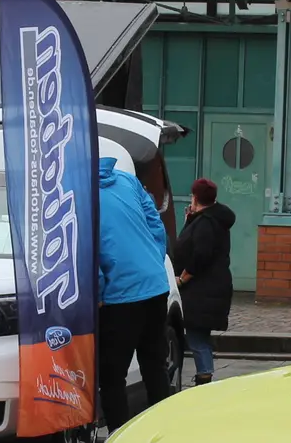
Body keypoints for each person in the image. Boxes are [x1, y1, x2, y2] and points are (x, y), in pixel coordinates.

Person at [96, 156, 173, 427]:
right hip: (154, 285)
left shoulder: (76, 195)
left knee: (112, 374)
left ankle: (118, 438)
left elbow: (82, 248)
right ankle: (163, 429)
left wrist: (99, 293)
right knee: (155, 365)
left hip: (120, 295)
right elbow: (156, 224)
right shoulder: (127, 180)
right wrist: (153, 258)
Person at [170, 178, 234, 387]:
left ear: (195, 197)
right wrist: (191, 219)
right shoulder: (208, 218)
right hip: (210, 288)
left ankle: (204, 380)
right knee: (199, 336)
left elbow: (201, 254)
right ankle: (204, 377)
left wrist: (183, 277)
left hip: (203, 289)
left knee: (197, 337)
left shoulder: (207, 222)